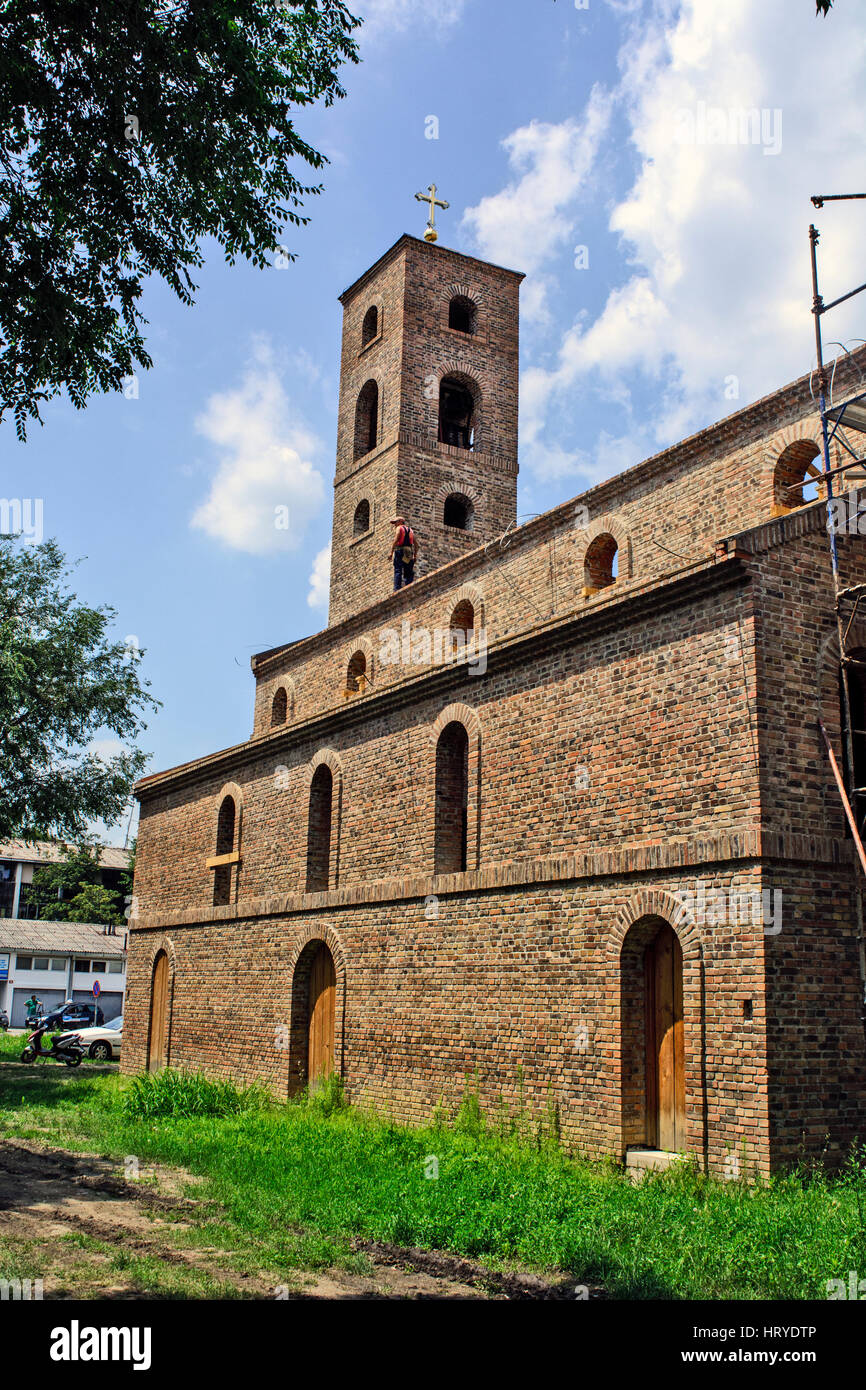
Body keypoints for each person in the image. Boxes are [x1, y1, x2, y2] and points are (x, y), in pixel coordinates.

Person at [390, 515, 418, 591]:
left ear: (400, 522)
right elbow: (416, 545)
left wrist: (391, 552)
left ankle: (397, 588)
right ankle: (408, 587)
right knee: (408, 570)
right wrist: (414, 556)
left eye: (396, 522)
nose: (395, 525)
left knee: (398, 569)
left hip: (400, 551)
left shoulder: (399, 528)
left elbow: (396, 540)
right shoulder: (410, 530)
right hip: (408, 552)